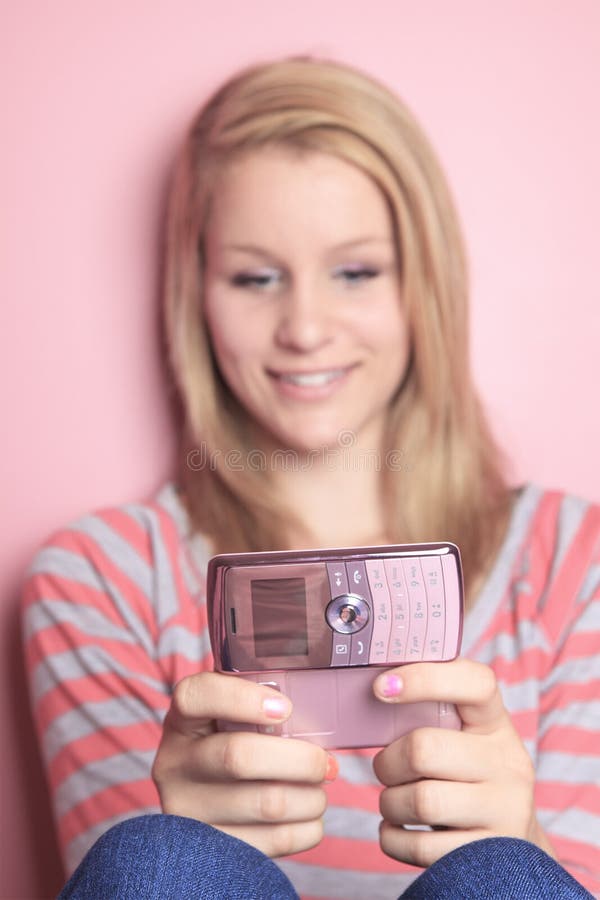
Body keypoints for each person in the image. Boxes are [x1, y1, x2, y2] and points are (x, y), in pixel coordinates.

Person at [21, 54, 599, 899]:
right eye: (256, 278)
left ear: (422, 284)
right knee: (159, 861)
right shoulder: (97, 578)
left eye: (355, 271)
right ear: (198, 296)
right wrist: (176, 836)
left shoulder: (572, 561)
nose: (305, 328)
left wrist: (523, 840)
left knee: (502, 877)